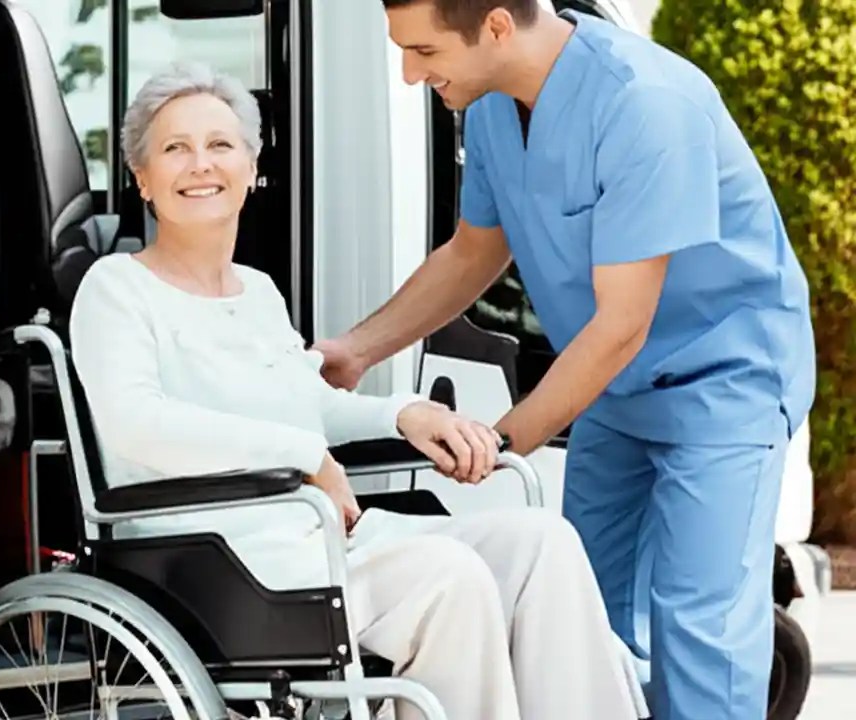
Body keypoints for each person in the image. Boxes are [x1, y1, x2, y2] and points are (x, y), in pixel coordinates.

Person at [70, 60, 641, 720]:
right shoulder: (116, 288)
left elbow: (306, 403)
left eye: (220, 145)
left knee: (543, 541)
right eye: (176, 148)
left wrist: (405, 413)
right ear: (141, 175)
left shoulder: (257, 291)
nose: (201, 164)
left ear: (252, 167)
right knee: (449, 579)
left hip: (317, 540)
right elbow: (136, 423)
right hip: (217, 557)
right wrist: (304, 459)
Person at [313, 3, 817, 719]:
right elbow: (475, 251)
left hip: (723, 382)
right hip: (614, 392)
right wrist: (356, 351)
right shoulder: (490, 108)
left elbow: (620, 326)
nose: (408, 73)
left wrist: (500, 439)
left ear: (493, 26)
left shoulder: (645, 105)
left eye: (422, 50)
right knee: (577, 611)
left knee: (698, 628)